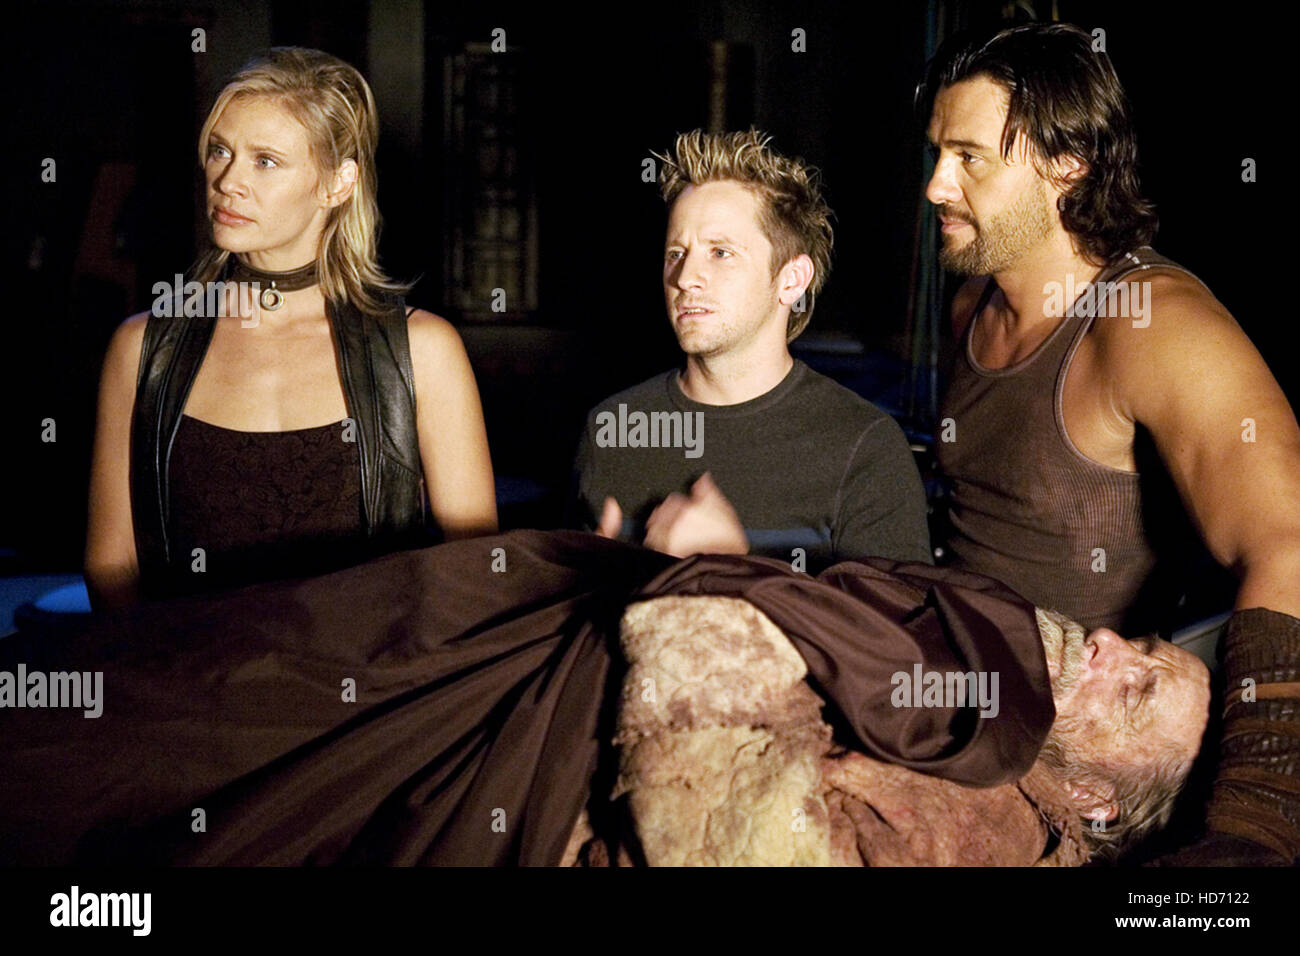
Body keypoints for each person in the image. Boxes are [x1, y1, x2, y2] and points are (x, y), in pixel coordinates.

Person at [917, 22, 1300, 863]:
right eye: (938, 154)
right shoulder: (972, 303)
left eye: (970, 157)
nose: (937, 185)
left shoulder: (1151, 324)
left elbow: (1289, 543)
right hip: (945, 698)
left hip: (1063, 765)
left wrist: (1256, 827)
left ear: (1068, 164)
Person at [83, 48, 496, 609]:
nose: (228, 181)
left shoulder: (422, 350)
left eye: (266, 161)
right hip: (187, 665)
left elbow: (473, 572)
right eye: (221, 151)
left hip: (369, 666)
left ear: (337, 183)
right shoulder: (143, 347)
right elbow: (112, 567)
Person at [569, 129, 931, 572]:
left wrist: (732, 570)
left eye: (720, 253)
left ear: (792, 280)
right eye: (676, 253)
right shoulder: (611, 429)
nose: (685, 278)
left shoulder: (865, 448)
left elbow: (894, 618)